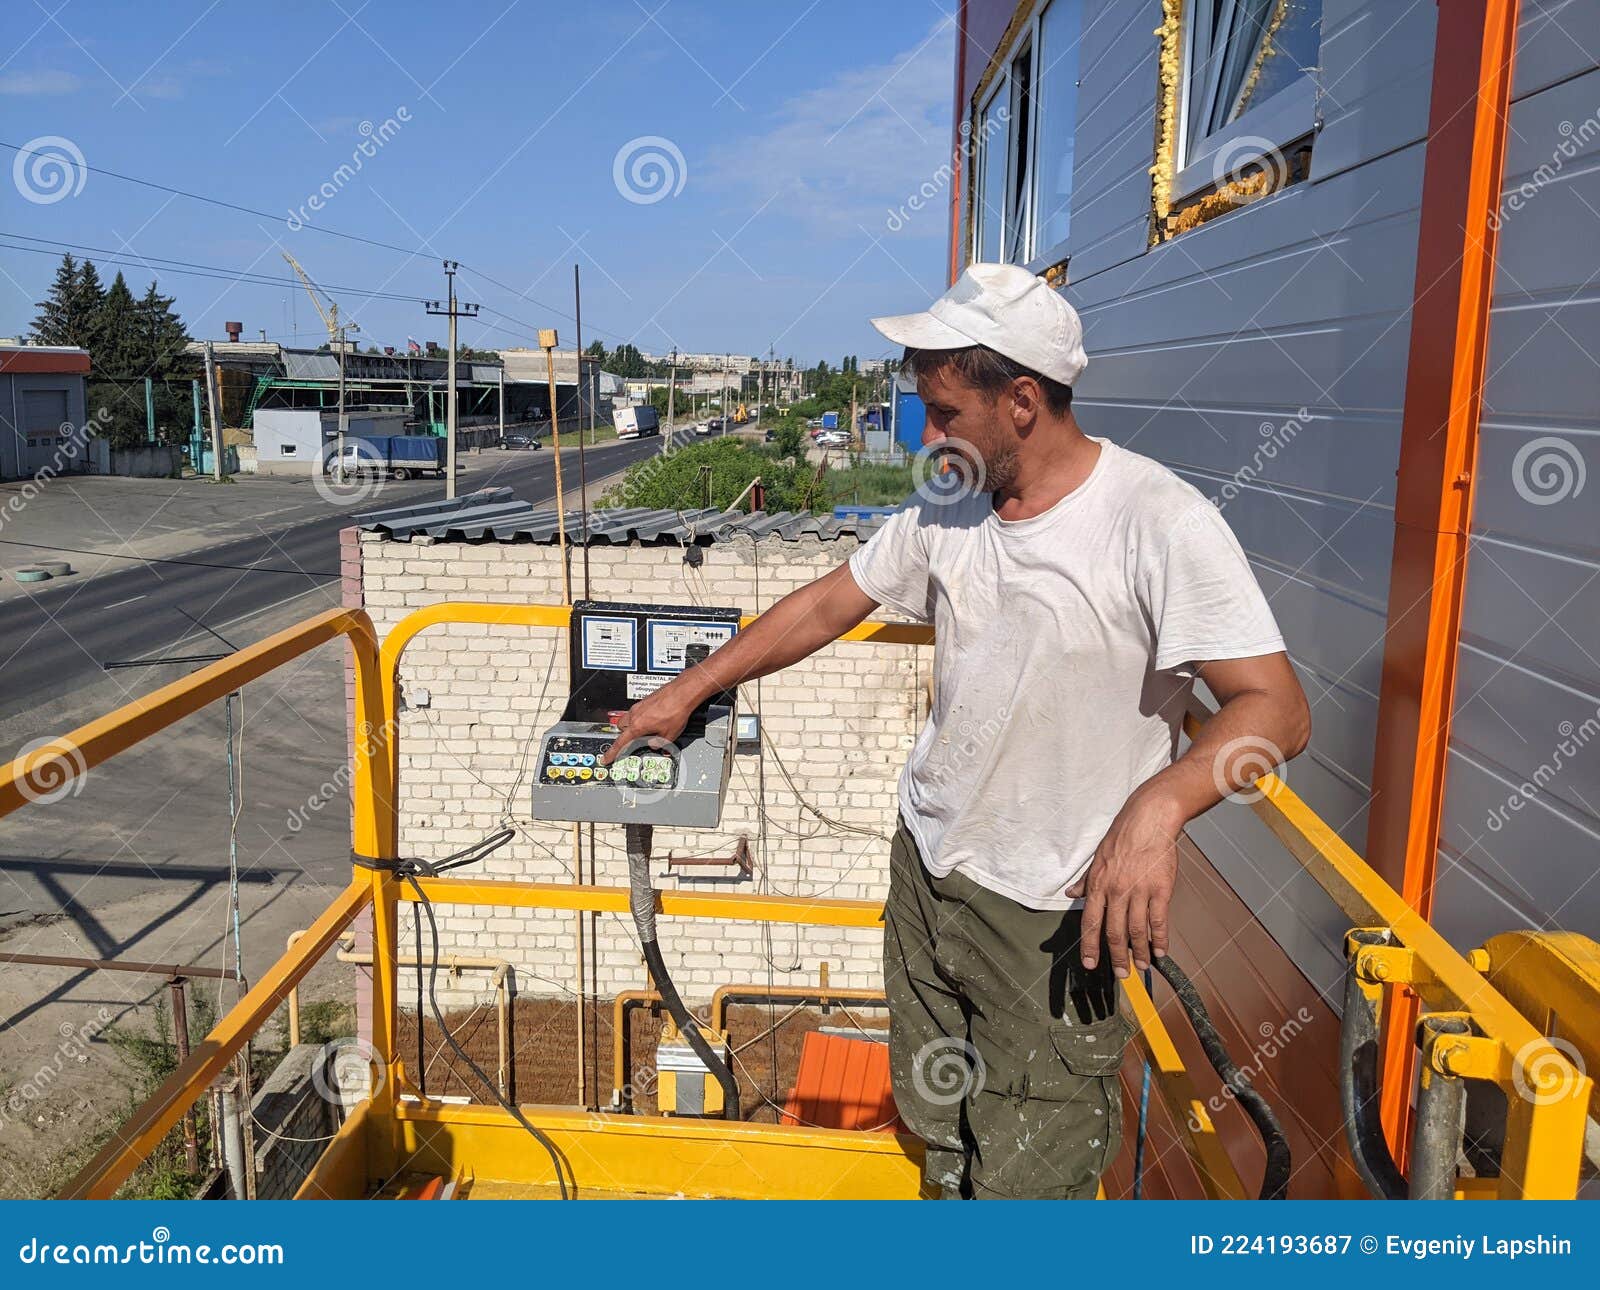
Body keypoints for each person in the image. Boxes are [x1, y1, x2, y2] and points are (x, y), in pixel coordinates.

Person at [604, 263, 1310, 1199]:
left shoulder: (1156, 521)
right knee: (941, 1134)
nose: (927, 436)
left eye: (943, 411)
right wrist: (688, 689)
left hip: (1049, 915)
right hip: (930, 874)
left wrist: (1158, 807)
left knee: (1028, 1176)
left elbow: (1277, 710)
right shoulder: (954, 502)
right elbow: (829, 603)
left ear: (1022, 400)